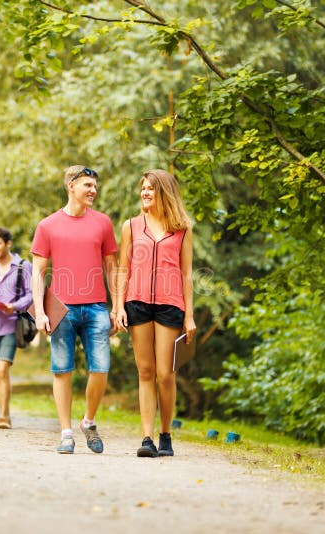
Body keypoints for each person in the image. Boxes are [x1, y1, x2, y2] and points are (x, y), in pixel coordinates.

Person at [31, 165, 118, 454]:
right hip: (61, 307)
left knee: (101, 368)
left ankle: (88, 421)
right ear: (71, 185)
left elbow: (111, 267)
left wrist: (117, 307)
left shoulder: (103, 223)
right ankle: (66, 432)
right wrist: (41, 312)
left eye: (95, 186)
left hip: (96, 307)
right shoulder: (47, 225)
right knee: (62, 370)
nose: (93, 190)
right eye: (87, 185)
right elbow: (37, 271)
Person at [115, 169, 196, 457]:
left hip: (170, 303)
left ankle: (166, 434)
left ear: (164, 192)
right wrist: (118, 306)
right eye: (143, 188)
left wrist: (189, 316)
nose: (145, 193)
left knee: (165, 373)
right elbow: (123, 268)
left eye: (150, 188)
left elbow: (187, 274)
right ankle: (146, 438)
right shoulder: (131, 226)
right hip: (137, 302)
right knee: (145, 370)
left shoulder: (183, 228)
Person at [0, 227, 33, 430]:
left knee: (3, 370)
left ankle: (4, 416)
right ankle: (2, 413)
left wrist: (15, 305)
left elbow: (30, 294)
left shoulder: (22, 266)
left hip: (11, 324)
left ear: (8, 244)